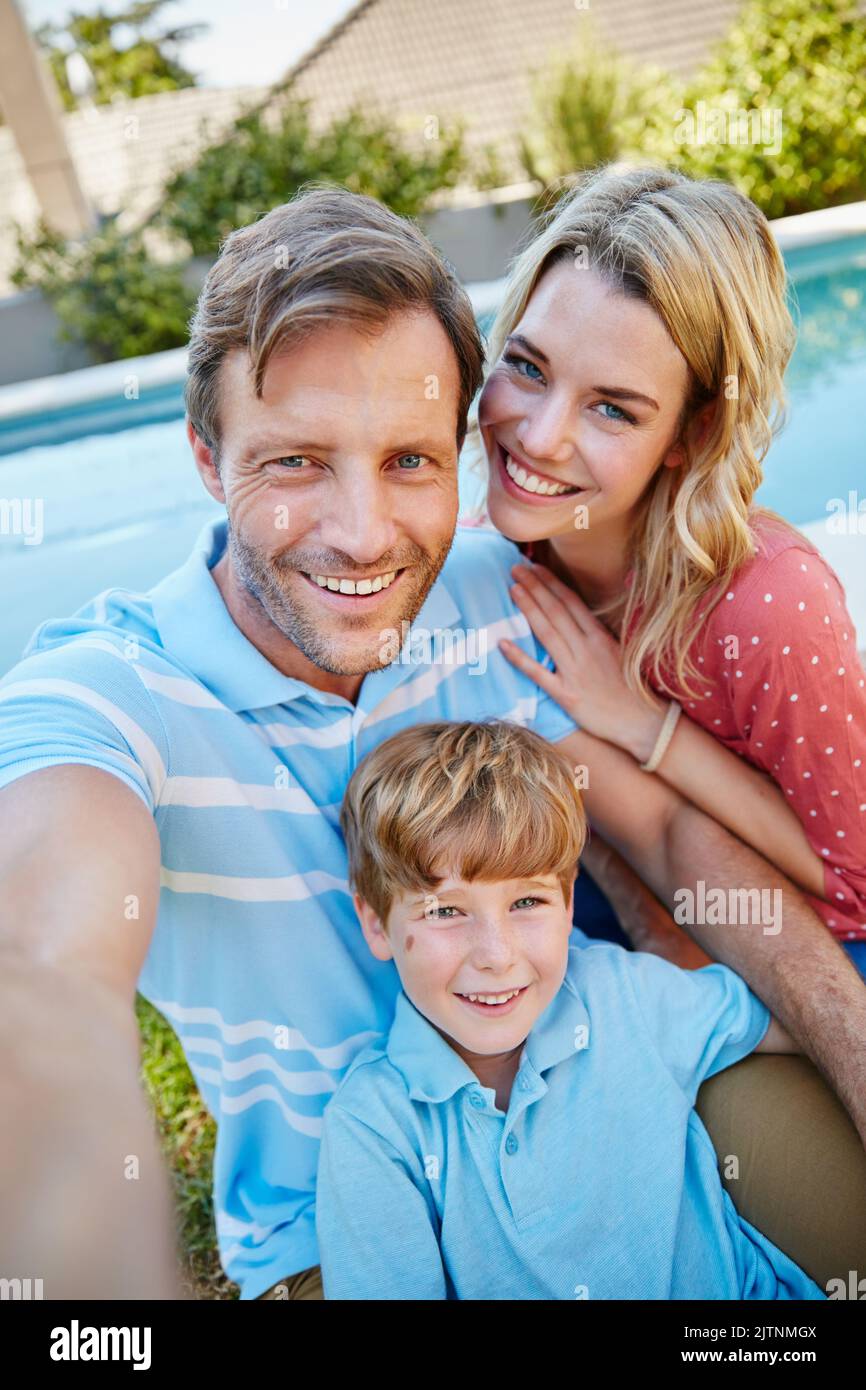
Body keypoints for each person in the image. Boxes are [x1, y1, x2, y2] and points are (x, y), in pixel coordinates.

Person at [0, 186, 864, 1302]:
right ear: (209, 460)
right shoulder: (108, 695)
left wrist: (848, 1048)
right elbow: (41, 957)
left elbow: (667, 834)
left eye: (408, 460)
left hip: (596, 1119)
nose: (361, 537)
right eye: (296, 461)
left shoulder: (486, 594)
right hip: (340, 1226)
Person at [474, 163, 866, 974]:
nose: (540, 437)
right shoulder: (488, 559)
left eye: (612, 408)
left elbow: (856, 879)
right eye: (528, 367)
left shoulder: (766, 605)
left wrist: (646, 728)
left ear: (691, 434)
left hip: (807, 955)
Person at [316, 719, 824, 1300]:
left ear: (569, 904)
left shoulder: (625, 997)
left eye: (527, 901)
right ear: (376, 924)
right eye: (444, 911)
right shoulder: (373, 1127)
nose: (497, 956)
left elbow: (794, 1021)